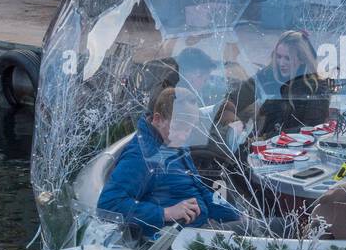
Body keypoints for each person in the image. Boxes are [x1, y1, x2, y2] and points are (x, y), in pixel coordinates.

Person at [97, 86, 241, 239]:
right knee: (266, 231)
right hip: (178, 242)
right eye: (179, 127)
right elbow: (108, 204)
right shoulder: (140, 156)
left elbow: (198, 188)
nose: (184, 135)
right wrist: (165, 213)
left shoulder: (170, 142)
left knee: (260, 227)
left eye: (189, 129)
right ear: (157, 119)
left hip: (202, 227)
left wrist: (233, 215)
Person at [220, 30, 330, 138]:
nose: (281, 63)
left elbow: (310, 129)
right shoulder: (268, 75)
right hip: (261, 144)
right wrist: (233, 123)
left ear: (302, 59)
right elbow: (232, 100)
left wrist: (268, 138)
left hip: (296, 149)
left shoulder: (317, 87)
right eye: (278, 56)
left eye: (287, 58)